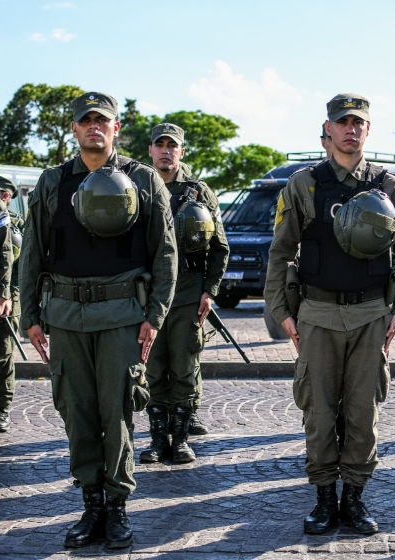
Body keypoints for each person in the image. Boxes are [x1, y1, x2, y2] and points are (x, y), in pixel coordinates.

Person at [19, 92, 177, 548]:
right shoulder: (53, 182)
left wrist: (155, 315)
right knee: (77, 414)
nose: (94, 127)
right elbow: (33, 251)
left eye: (101, 121)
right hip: (66, 316)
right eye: (85, 120)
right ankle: (91, 506)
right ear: (74, 129)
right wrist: (31, 314)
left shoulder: (143, 179)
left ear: (116, 128)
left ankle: (117, 507)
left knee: (118, 410)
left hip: (122, 315)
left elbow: (165, 253)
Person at [264, 93, 395, 535]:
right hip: (317, 311)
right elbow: (280, 254)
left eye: (359, 122)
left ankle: (354, 496)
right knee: (318, 411)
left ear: (368, 130)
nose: (351, 129)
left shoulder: (390, 187)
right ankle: (323, 498)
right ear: (328, 129)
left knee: (362, 412)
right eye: (343, 122)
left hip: (371, 313)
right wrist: (284, 313)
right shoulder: (303, 185)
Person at [140, 123, 229, 464]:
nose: (165, 150)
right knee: (153, 367)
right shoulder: (138, 187)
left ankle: (179, 439)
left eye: (172, 145)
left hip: (188, 293)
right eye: (159, 144)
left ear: (181, 151)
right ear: (150, 150)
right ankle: (156, 439)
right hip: (149, 295)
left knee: (184, 366)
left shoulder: (199, 192)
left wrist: (210, 290)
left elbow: (219, 246)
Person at [0, 175, 20, 434]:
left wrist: (5, 294)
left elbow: (10, 257)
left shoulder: (12, 222)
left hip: (7, 295)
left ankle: (2, 408)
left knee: (2, 354)